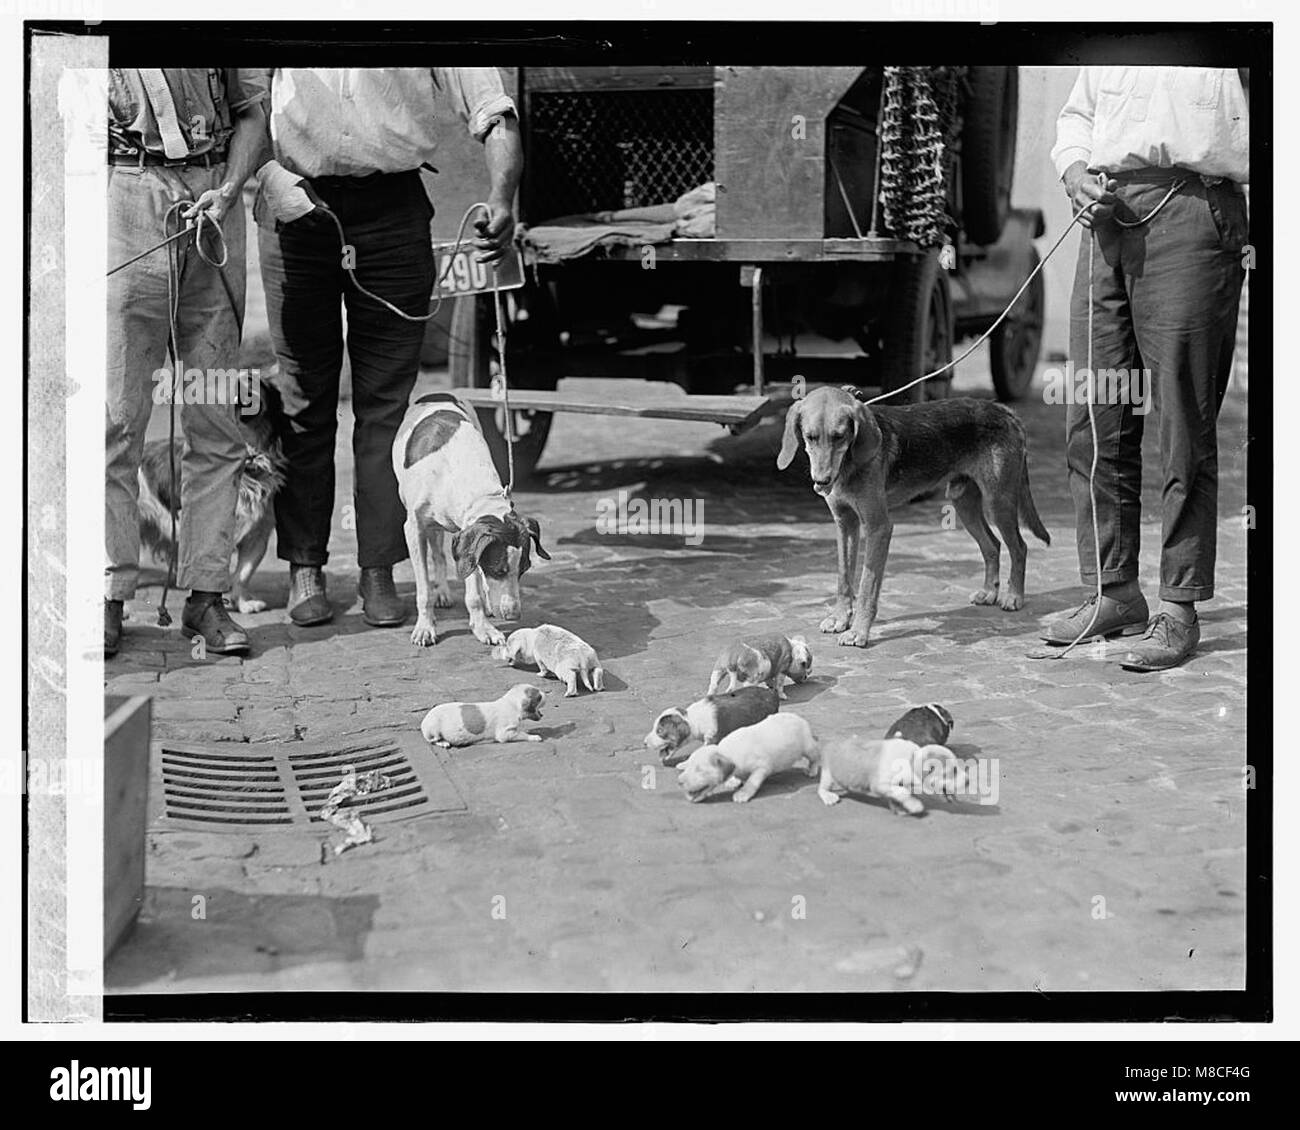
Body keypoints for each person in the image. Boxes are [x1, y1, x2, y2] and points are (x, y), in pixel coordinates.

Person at [252, 68, 523, 628]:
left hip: (394, 213)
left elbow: (493, 109)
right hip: (294, 204)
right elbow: (245, 104)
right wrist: (260, 176)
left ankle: (380, 565)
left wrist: (502, 196)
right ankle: (306, 564)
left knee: (383, 408)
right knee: (304, 399)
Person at [1044, 67, 1249, 671]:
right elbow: (1077, 118)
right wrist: (1076, 173)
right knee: (1095, 410)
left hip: (1194, 208)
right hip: (1105, 217)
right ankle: (1114, 591)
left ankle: (1180, 606)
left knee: (1183, 420)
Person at [105, 68, 269, 657]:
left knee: (216, 426)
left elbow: (252, 111)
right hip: (122, 196)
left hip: (212, 203)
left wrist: (229, 189)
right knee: (115, 425)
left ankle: (206, 595)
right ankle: (110, 594)